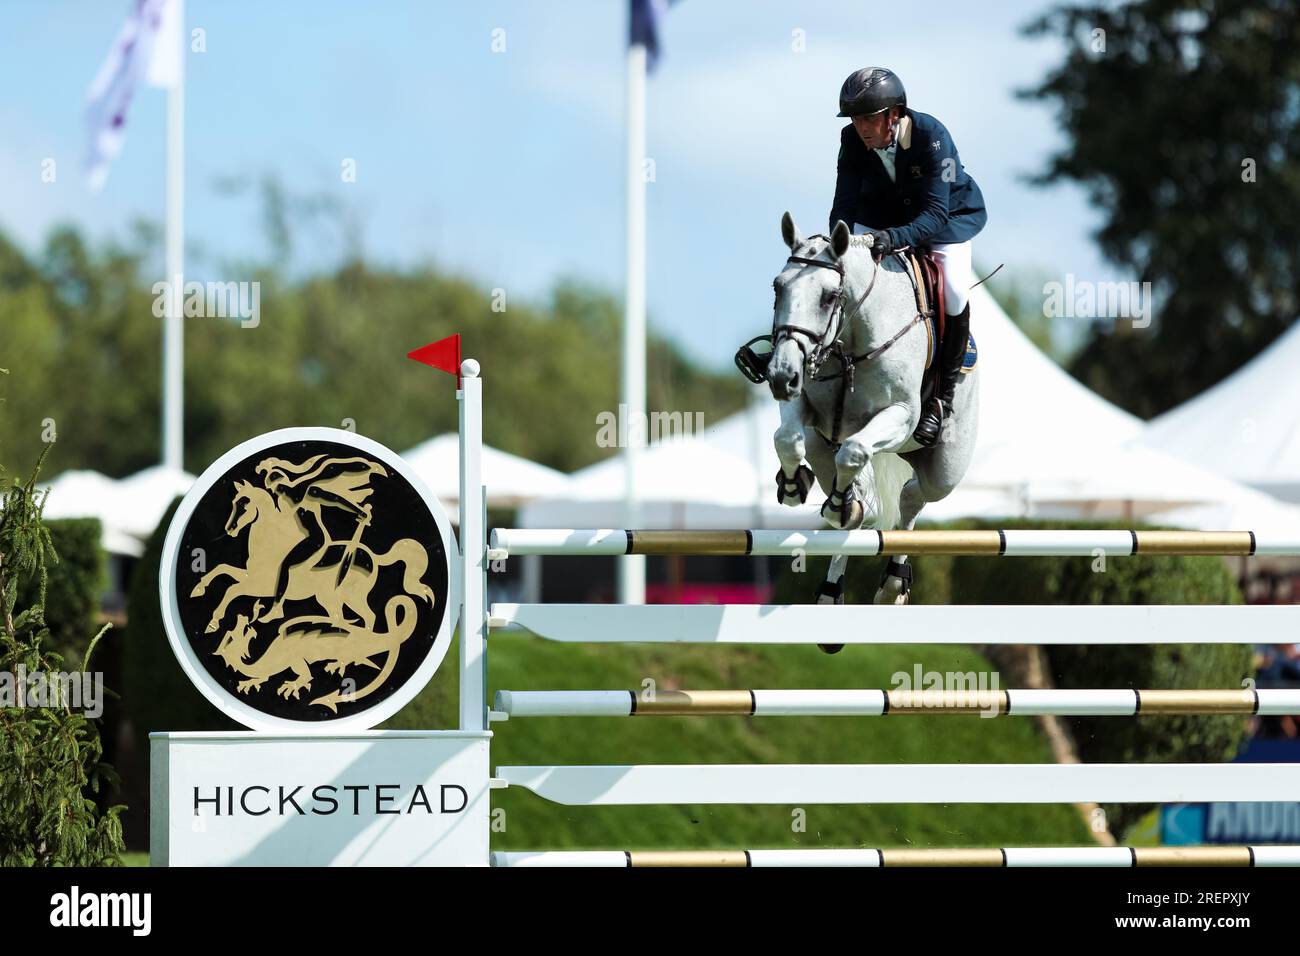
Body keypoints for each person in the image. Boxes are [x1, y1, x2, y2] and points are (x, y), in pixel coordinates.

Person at [829, 67, 987, 446]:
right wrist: (839, 247)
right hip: (884, 217)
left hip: (947, 219)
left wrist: (893, 238)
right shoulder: (851, 140)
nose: (861, 127)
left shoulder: (933, 137)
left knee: (952, 289)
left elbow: (934, 214)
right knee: (838, 276)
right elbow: (844, 205)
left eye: (869, 118)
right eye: (855, 118)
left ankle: (942, 399)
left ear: (894, 114)